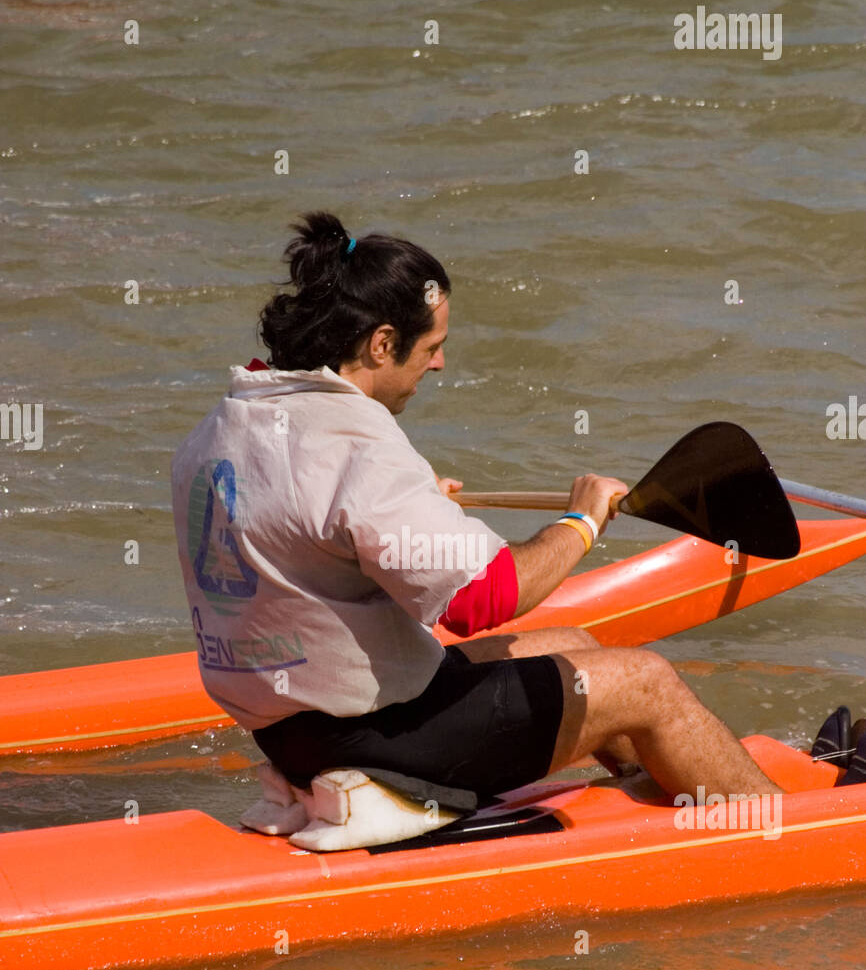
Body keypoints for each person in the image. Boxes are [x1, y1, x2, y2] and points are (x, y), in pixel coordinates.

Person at [171, 211, 852, 847]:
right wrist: (581, 521)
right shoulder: (358, 446)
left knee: (577, 646)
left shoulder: (230, 422)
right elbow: (482, 602)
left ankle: (665, 807)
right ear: (382, 343)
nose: (438, 364)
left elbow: (291, 524)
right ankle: (792, 838)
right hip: (371, 737)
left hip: (291, 732)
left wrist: (388, 517)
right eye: (432, 347)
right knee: (646, 681)